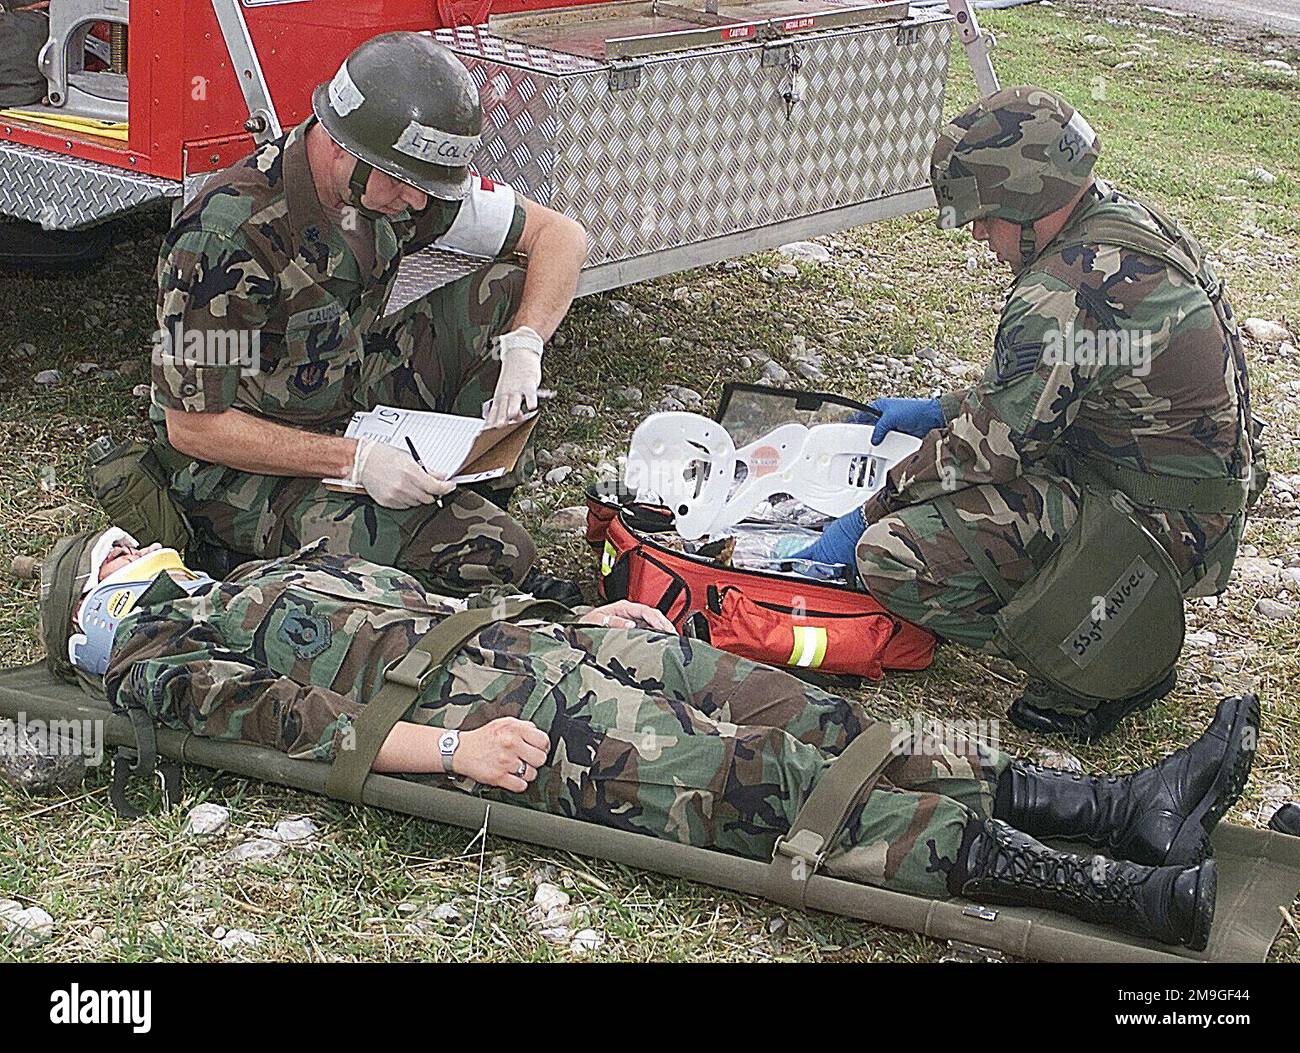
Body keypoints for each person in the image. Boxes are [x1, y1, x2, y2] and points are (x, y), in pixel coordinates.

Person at [38, 527, 1262, 950]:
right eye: (105, 563)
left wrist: (585, 611)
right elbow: (278, 721)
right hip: (497, 718)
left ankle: (1108, 806)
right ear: (90, 609)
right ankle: (1114, 890)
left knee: (820, 718)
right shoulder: (153, 651)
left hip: (547, 647)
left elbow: (427, 604)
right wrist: (442, 757)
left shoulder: (264, 572)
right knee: (772, 788)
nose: (131, 555)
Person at [798, 85, 1258, 741]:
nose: (980, 234)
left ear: (1024, 201)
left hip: (1157, 532)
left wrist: (867, 513)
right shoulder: (1117, 227)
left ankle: (1103, 660)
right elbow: (1058, 391)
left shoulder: (1064, 287)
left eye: (983, 217)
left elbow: (986, 451)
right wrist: (942, 410)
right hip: (1179, 503)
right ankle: (1105, 626)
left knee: (889, 554)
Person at [150, 32, 588, 595]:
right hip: (243, 468)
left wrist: (525, 344)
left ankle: (453, 492)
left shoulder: (389, 186)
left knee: (508, 286)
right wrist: (356, 462)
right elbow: (194, 427)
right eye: (408, 185)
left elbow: (560, 236)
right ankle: (238, 552)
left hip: (345, 396)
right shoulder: (227, 235)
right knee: (496, 550)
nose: (420, 205)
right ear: (343, 148)